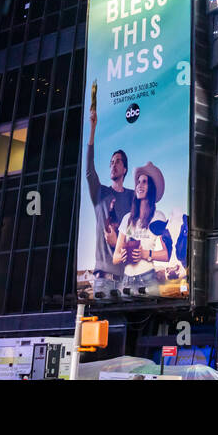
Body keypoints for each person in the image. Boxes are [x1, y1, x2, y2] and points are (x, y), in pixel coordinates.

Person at [86, 98, 133, 298]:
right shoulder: (100, 193)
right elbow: (89, 170)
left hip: (127, 281)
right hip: (103, 279)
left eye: (118, 162)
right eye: (111, 162)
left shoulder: (132, 197)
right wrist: (92, 129)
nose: (113, 164)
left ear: (125, 169)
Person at [114, 162, 169, 290]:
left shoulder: (158, 216)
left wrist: (144, 254)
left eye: (144, 182)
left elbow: (166, 254)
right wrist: (122, 255)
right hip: (126, 282)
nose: (139, 185)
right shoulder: (127, 218)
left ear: (152, 187)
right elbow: (115, 257)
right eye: (138, 182)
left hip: (148, 280)